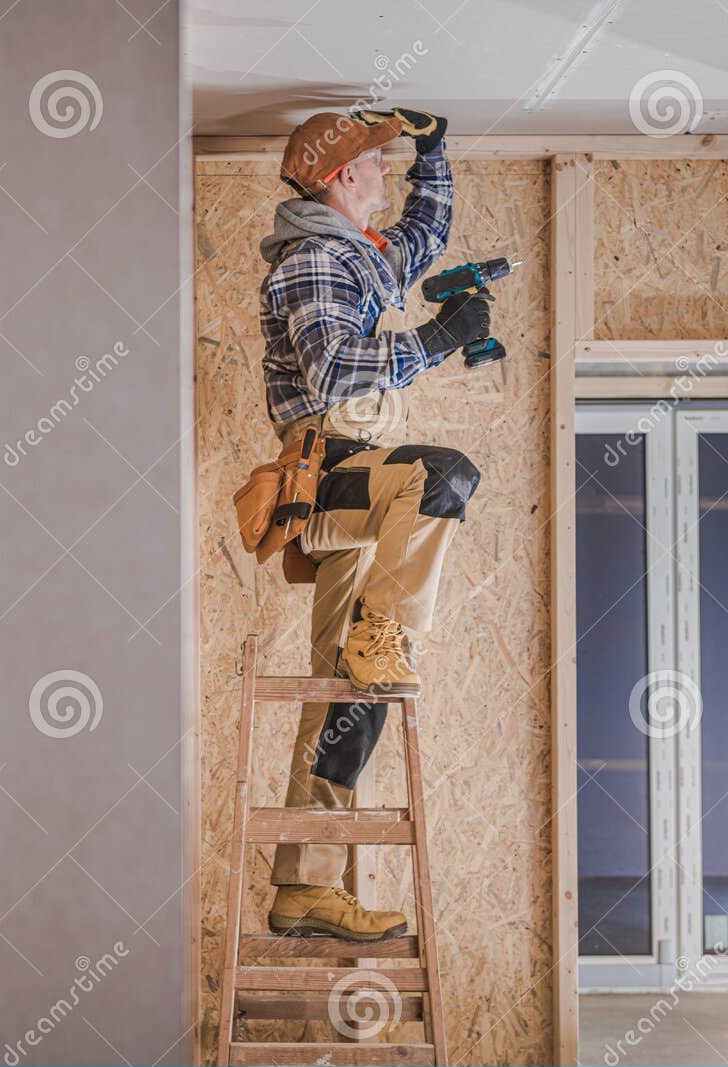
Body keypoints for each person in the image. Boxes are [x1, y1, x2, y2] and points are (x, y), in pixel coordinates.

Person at [258, 108, 486, 942]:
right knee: (442, 475)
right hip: (329, 478)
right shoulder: (315, 259)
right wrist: (437, 338)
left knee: (350, 702)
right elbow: (334, 369)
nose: (385, 175)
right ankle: (384, 631)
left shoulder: (361, 254)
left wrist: (435, 152)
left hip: (365, 491)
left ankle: (304, 885)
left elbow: (423, 235)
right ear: (339, 176)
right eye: (378, 163)